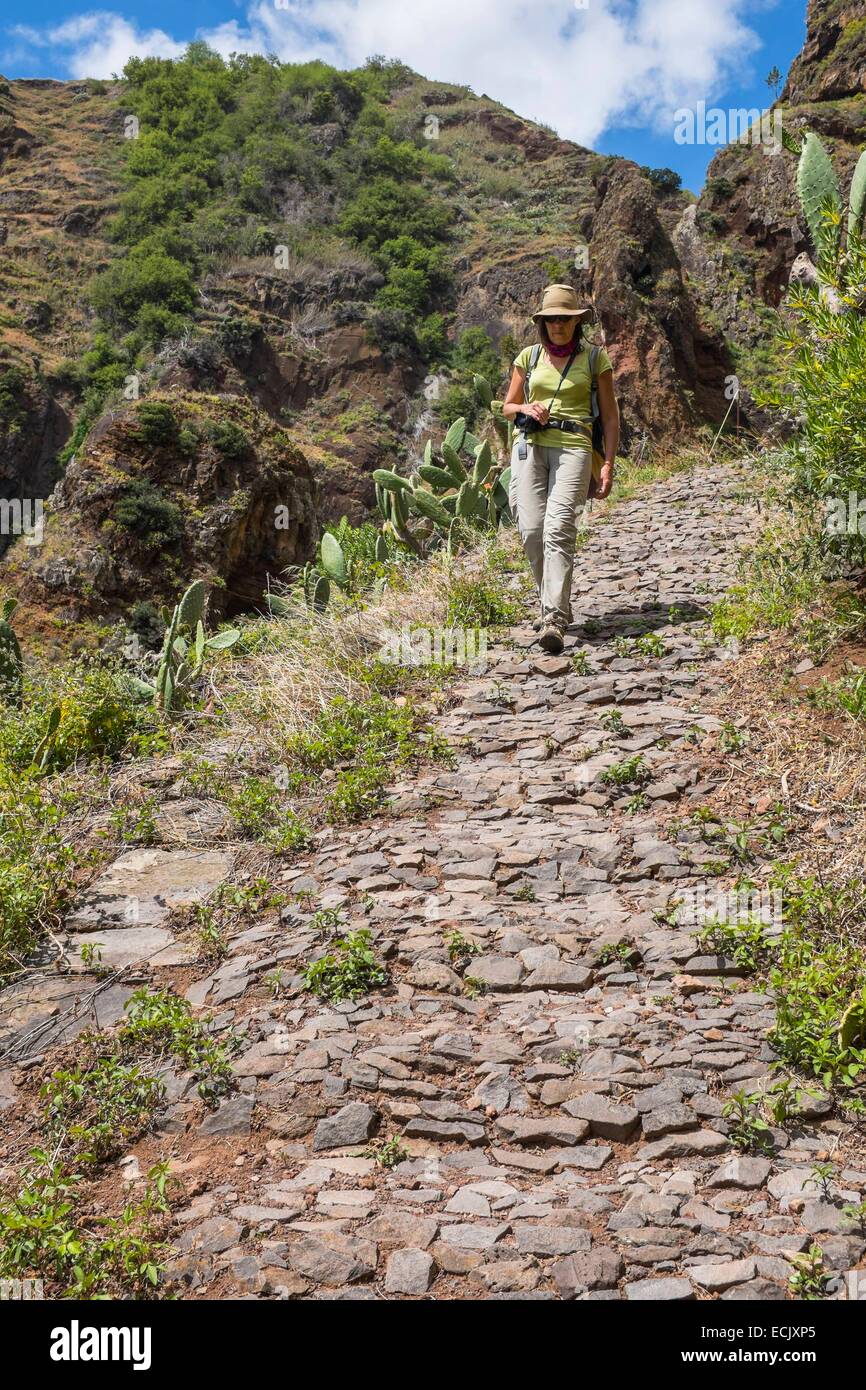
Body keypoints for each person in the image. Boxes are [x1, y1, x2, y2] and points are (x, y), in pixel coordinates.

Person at [503, 283, 619, 654]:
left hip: (574, 445)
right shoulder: (529, 357)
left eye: (566, 319)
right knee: (531, 528)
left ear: (577, 322)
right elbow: (507, 406)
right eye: (552, 319)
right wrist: (525, 409)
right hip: (530, 445)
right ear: (542, 322)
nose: (559, 325)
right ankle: (550, 602)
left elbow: (611, 416)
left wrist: (609, 465)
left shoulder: (594, 359)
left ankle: (554, 617)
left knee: (558, 527)